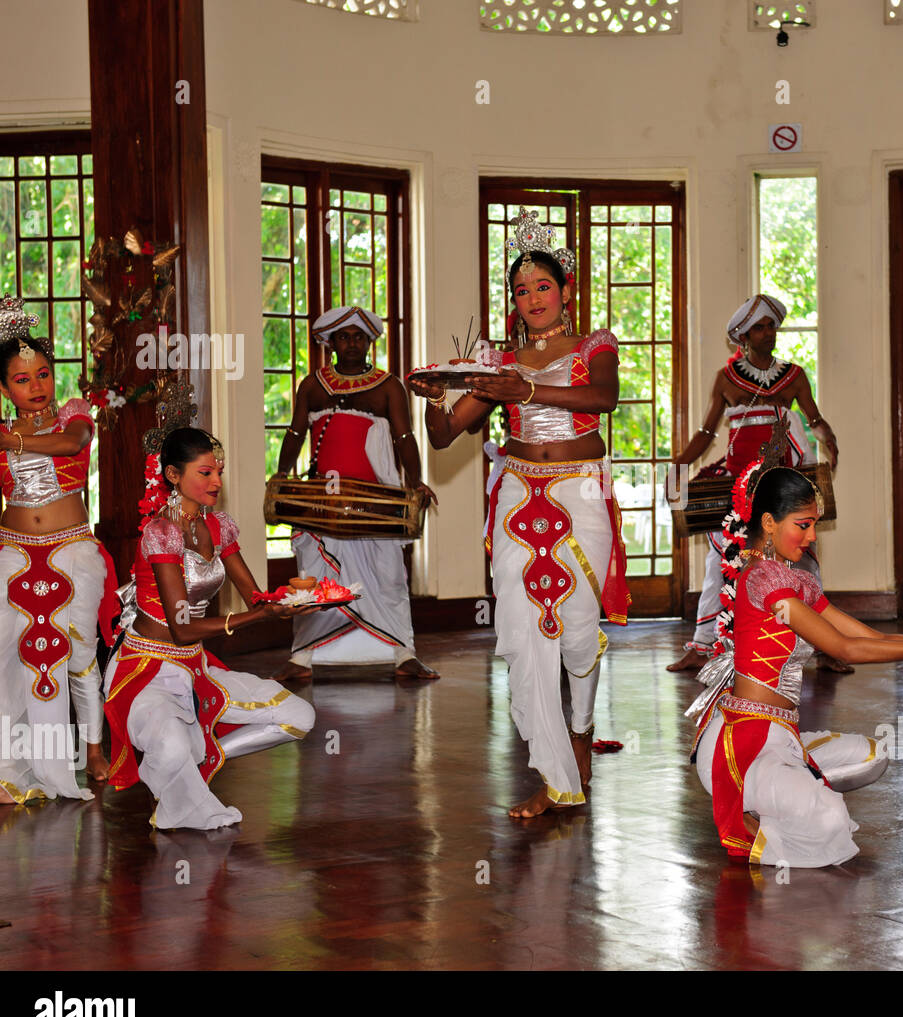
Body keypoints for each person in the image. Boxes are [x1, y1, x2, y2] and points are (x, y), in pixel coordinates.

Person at [406, 208, 629, 819]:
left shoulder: (594, 346)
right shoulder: (496, 363)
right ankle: (555, 774)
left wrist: (525, 391)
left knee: (580, 628)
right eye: (522, 289)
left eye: (544, 286)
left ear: (565, 291)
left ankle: (581, 731)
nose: (533, 298)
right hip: (516, 491)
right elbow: (448, 436)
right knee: (527, 631)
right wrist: (434, 400)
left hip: (579, 490)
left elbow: (602, 399)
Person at [688, 459, 903, 866]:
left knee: (872, 755)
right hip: (743, 744)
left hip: (780, 733)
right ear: (768, 522)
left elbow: (865, 636)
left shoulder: (796, 582)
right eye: (802, 525)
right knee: (830, 821)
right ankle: (770, 801)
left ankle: (787, 790)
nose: (811, 536)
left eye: (814, 524)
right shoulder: (764, 580)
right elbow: (844, 650)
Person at [102, 428, 315, 829]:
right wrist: (259, 617)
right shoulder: (160, 533)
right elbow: (182, 629)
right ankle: (180, 762)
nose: (217, 481)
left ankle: (200, 756)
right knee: (168, 744)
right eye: (205, 472)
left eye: (218, 470)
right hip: (146, 670)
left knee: (298, 715)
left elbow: (256, 598)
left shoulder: (219, 527)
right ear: (173, 475)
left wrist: (290, 601)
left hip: (196, 667)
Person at [0, 296, 119, 805]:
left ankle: (92, 748)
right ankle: (3, 770)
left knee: (79, 649)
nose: (37, 386)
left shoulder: (73, 415)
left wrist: (8, 442)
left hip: (72, 547)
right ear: (2, 387)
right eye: (22, 379)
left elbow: (71, 445)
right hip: (14, 547)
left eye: (43, 373)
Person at [666, 294, 842, 673]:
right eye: (759, 328)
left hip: (782, 484)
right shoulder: (726, 379)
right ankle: (701, 646)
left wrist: (827, 436)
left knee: (804, 562)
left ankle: (829, 646)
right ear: (742, 337)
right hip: (738, 485)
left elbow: (813, 418)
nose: (768, 334)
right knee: (722, 563)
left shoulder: (794, 376)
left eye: (771, 326)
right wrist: (678, 464)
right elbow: (705, 431)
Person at [273, 305, 439, 682]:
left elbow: (404, 438)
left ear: (369, 342)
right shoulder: (312, 385)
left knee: (389, 576)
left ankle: (402, 654)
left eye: (358, 336)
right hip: (322, 502)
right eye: (343, 336)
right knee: (314, 577)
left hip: (374, 502)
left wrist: (414, 482)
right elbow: (296, 433)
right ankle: (302, 659)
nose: (351, 343)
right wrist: (282, 475)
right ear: (330, 342)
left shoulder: (388, 386)